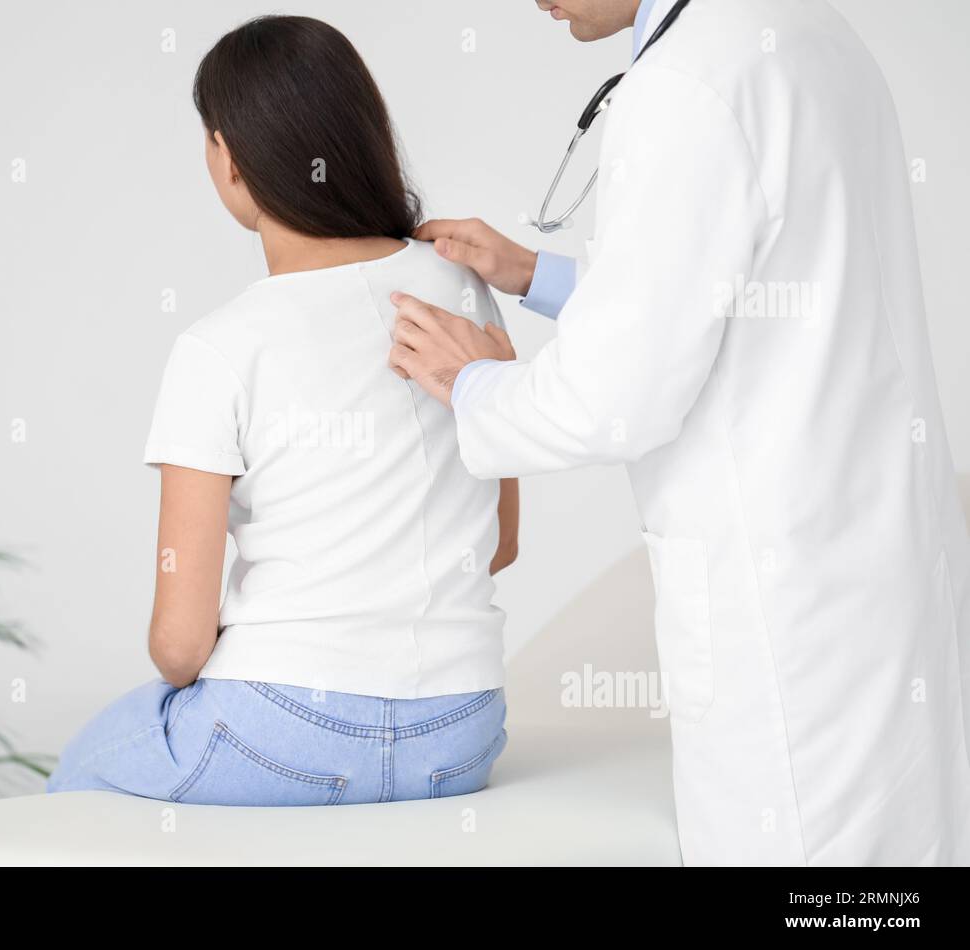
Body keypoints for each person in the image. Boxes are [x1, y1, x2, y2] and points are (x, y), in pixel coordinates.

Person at [388, 0, 970, 865]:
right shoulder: (808, 30)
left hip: (783, 598)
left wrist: (468, 383)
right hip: (876, 560)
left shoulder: (684, 83)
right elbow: (745, 300)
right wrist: (534, 275)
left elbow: (614, 398)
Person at [49, 16, 517, 806]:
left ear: (227, 158)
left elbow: (179, 643)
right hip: (462, 729)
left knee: (82, 770)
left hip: (283, 728)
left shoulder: (219, 348)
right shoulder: (463, 293)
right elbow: (499, 544)